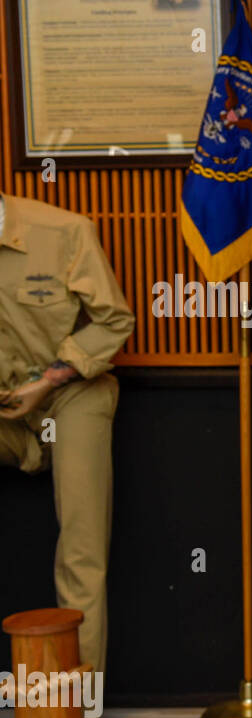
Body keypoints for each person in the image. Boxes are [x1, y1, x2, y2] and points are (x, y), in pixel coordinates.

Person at [0, 193, 135, 690]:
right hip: (5, 411)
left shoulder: (65, 230)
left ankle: (78, 705)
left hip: (69, 395)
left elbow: (115, 320)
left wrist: (49, 381)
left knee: (81, 549)